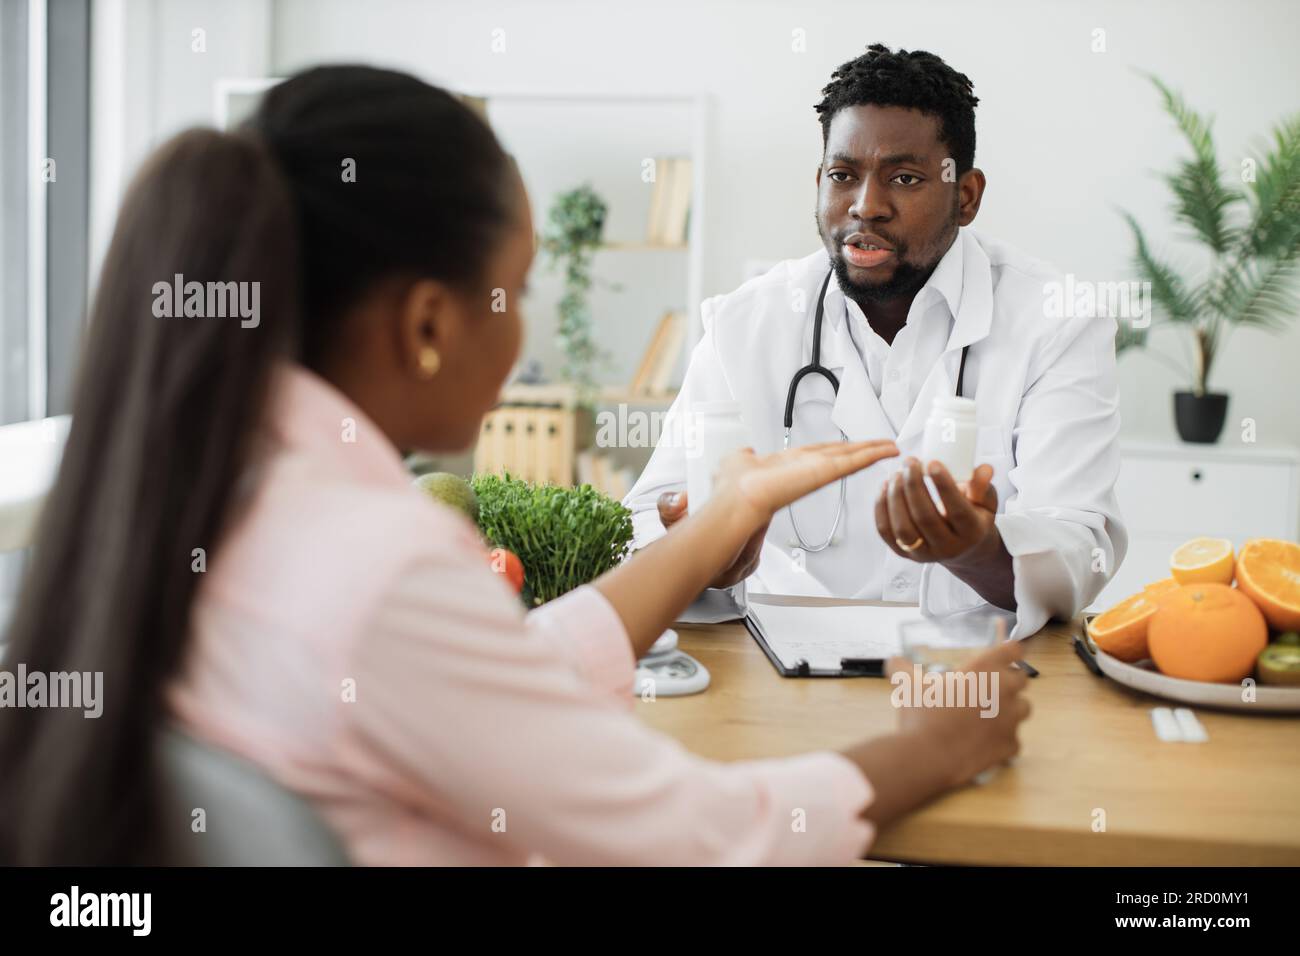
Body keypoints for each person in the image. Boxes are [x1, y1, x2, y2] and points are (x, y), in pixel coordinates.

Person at [0, 65, 1029, 866]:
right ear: (429, 323)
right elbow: (698, 835)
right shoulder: (381, 562)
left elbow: (490, 679)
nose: (523, 330)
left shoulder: (218, 493)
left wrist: (725, 518)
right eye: (519, 290)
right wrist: (937, 743)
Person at [625, 44, 1127, 639]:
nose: (866, 207)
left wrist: (975, 549)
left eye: (905, 178)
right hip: (780, 673)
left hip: (980, 673)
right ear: (820, 183)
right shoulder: (744, 324)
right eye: (843, 176)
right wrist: (700, 556)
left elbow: (1080, 549)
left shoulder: (1058, 322)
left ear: (965, 196)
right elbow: (647, 520)